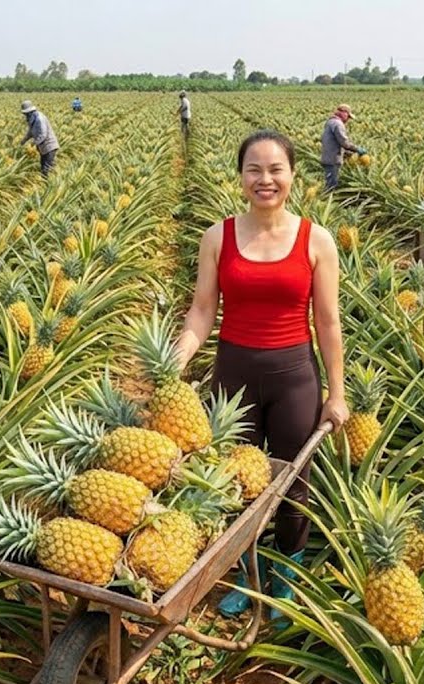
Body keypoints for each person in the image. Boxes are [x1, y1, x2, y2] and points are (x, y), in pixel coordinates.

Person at [171, 129, 348, 617]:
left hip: (294, 374)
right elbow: (202, 311)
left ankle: (284, 573)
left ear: (292, 175)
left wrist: (337, 392)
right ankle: (243, 572)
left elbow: (328, 321)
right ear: (241, 177)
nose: (265, 179)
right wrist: (180, 354)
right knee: (235, 479)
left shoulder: (317, 239)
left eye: (275, 170)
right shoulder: (218, 236)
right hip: (233, 374)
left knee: (294, 480)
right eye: (254, 169)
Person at [320, 104, 367, 192]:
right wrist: (357, 149)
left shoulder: (330, 122)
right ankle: (327, 200)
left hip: (327, 156)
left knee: (330, 181)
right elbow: (344, 142)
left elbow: (333, 141)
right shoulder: (338, 124)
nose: (348, 119)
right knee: (331, 186)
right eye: (348, 116)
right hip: (333, 159)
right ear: (343, 113)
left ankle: (326, 198)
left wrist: (346, 153)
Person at [20, 100, 60, 177]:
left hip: (49, 146)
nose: (25, 115)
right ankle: (47, 181)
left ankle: (50, 183)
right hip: (43, 147)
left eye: (26, 113)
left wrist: (34, 143)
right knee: (43, 166)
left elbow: (43, 134)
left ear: (30, 111)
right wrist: (23, 141)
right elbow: (30, 132)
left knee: (47, 168)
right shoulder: (32, 119)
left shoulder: (39, 119)